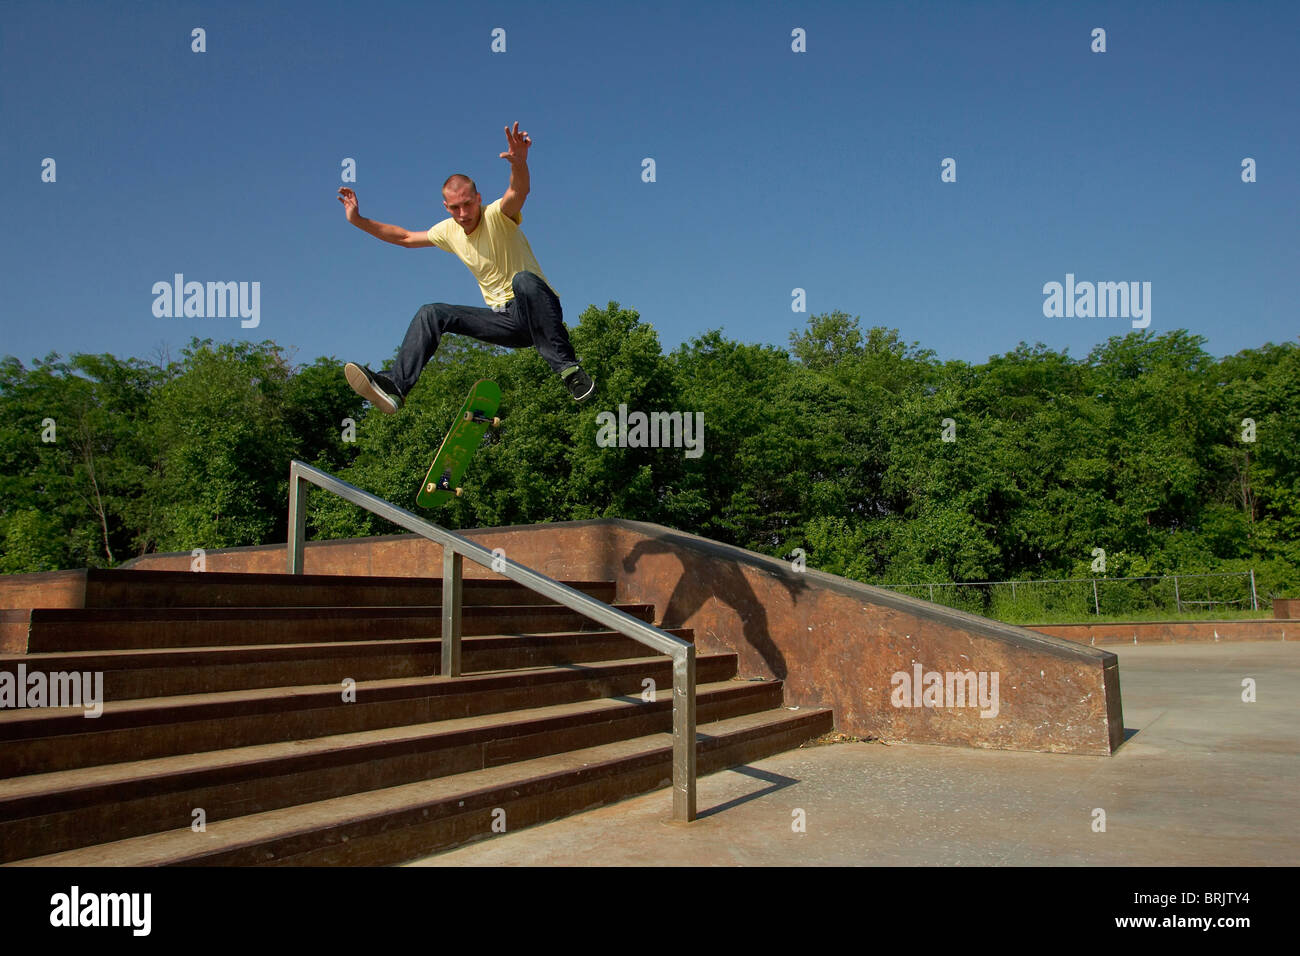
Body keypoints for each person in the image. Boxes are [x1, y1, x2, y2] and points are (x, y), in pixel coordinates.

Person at [337, 122, 594, 413]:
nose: (463, 214)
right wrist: (358, 220)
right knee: (431, 313)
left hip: (538, 309)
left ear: (479, 199)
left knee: (523, 280)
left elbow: (518, 191)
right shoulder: (449, 230)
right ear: (446, 207)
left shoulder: (497, 215)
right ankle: (396, 386)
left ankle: (570, 372)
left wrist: (520, 164)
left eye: (468, 205)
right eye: (455, 208)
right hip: (506, 322)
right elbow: (405, 237)